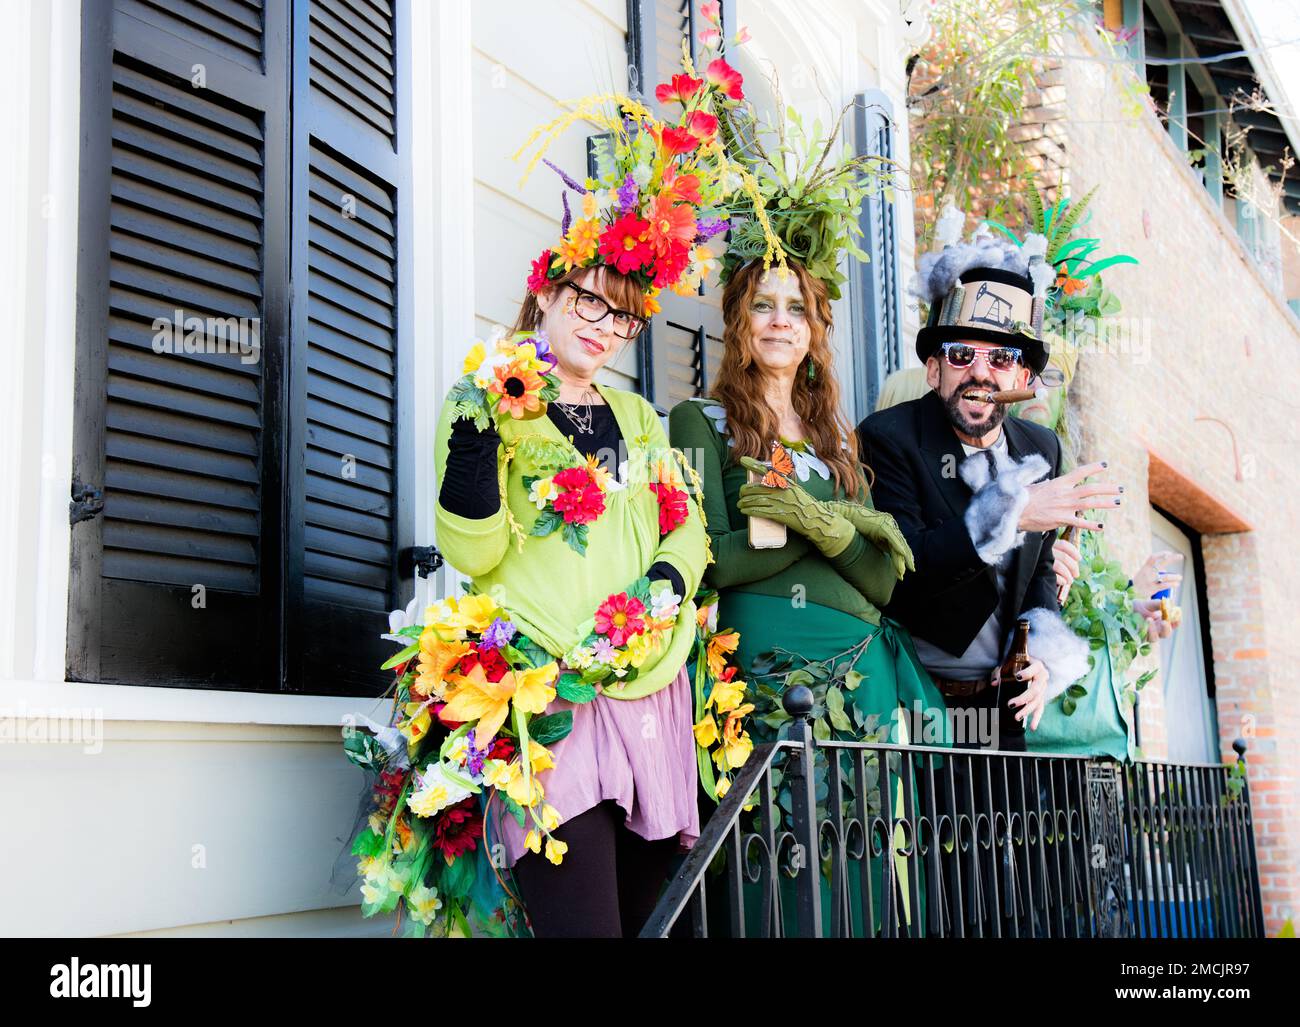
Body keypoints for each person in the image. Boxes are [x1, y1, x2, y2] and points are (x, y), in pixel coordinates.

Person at [432, 86, 733, 936]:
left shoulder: (638, 420)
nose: (604, 327)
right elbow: (476, 549)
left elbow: (689, 526)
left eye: (626, 317)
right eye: (589, 302)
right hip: (550, 699)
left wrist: (665, 586)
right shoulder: (491, 395)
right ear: (550, 292)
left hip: (654, 699)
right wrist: (472, 437)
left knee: (645, 922)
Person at [856, 225, 1123, 752]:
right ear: (933, 370)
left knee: (1005, 834)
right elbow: (904, 566)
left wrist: (1043, 655)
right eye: (960, 355)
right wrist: (1014, 512)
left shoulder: (1040, 448)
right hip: (915, 706)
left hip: (1004, 709)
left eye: (1000, 359)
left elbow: (1039, 571)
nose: (980, 372)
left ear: (1022, 374)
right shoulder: (888, 438)